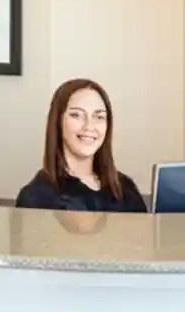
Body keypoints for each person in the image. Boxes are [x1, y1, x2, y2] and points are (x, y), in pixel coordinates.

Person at [15, 78, 148, 213]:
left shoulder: (125, 188)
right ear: (58, 121)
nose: (89, 126)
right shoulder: (35, 198)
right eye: (76, 115)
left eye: (99, 117)